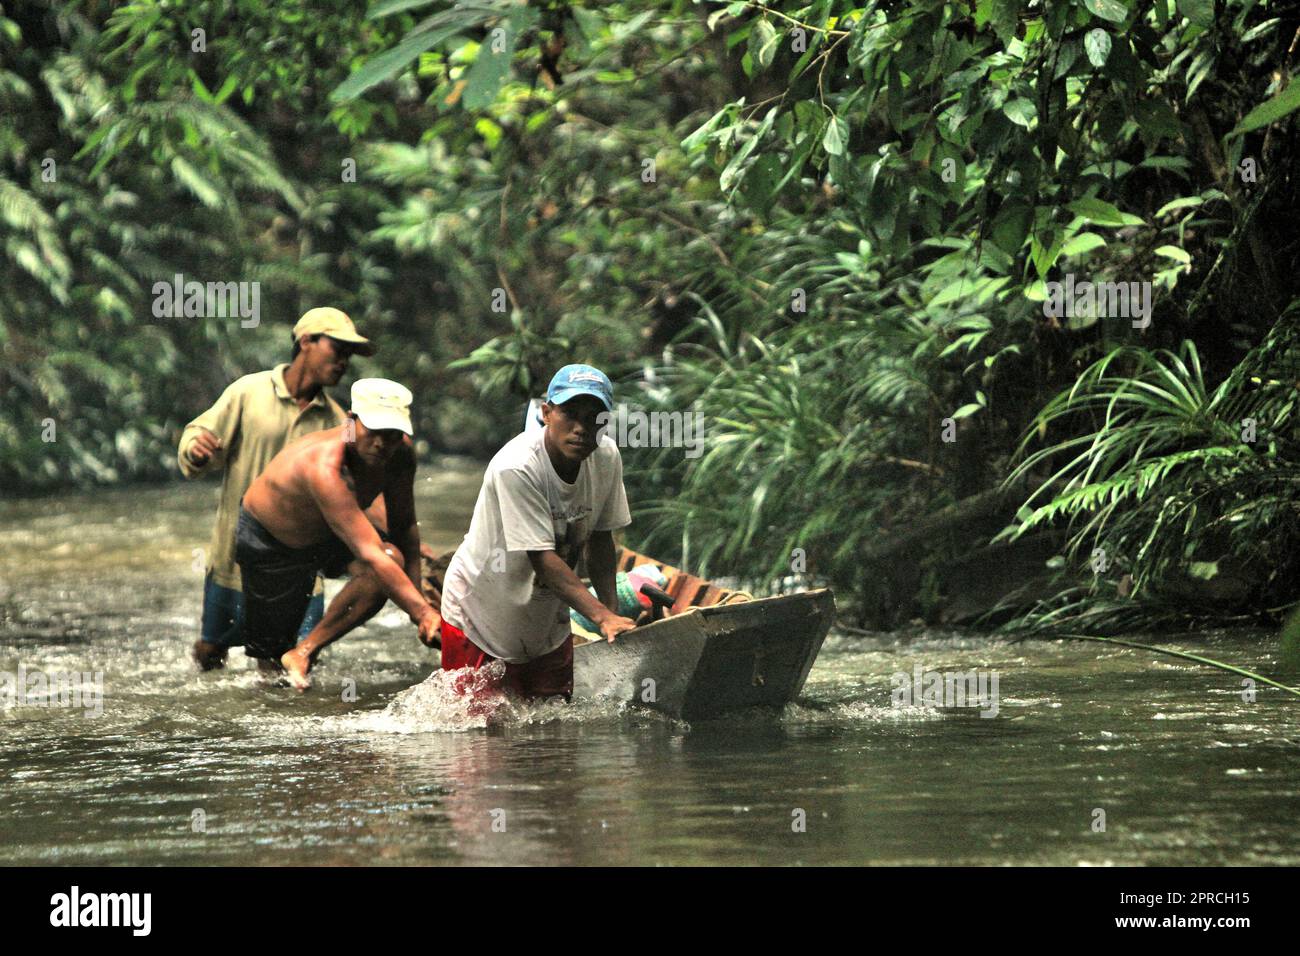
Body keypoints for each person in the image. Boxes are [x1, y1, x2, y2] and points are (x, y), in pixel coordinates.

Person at [178, 307, 373, 671]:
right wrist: (197, 450)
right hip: (232, 557)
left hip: (299, 569)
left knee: (289, 664)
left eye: (350, 355)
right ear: (306, 342)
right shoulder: (248, 392)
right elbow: (198, 436)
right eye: (338, 349)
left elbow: (360, 485)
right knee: (211, 652)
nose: (345, 361)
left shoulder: (340, 421)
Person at [439, 364, 637, 701]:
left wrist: (612, 614)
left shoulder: (606, 458)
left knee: (552, 732)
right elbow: (543, 560)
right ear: (546, 413)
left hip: (545, 621)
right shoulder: (517, 467)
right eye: (570, 414)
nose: (581, 429)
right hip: (479, 615)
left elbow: (601, 539)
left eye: (594, 418)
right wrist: (600, 617)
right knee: (476, 740)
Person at [237, 378, 440, 690]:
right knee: (271, 670)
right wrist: (422, 613)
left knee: (390, 560)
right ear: (350, 422)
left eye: (392, 434)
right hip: (271, 541)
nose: (382, 444)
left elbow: (404, 527)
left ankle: (306, 650)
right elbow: (368, 552)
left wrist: (420, 603)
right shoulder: (324, 467)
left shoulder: (399, 453)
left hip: (330, 536)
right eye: (373, 432)